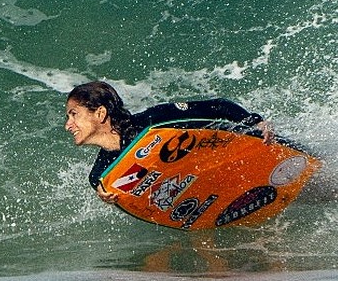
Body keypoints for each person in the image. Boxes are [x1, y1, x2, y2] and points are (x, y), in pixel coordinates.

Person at [63, 81, 272, 201]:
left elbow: (218, 106)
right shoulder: (101, 176)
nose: (68, 125)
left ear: (100, 113)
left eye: (74, 114)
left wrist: (256, 122)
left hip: (239, 163)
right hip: (212, 193)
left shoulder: (153, 121)